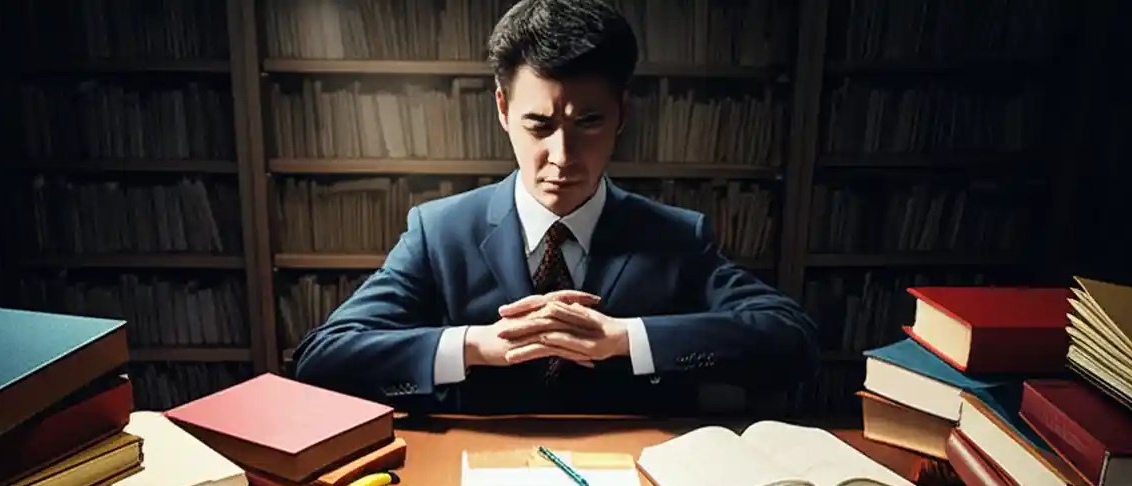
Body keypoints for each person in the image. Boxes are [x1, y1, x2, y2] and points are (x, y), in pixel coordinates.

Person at [292, 0, 818, 415]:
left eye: (587, 123)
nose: (562, 158)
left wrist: (625, 338)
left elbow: (792, 340)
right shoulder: (440, 231)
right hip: (475, 478)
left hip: (638, 482)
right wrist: (475, 346)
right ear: (502, 109)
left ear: (621, 114)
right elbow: (322, 359)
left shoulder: (676, 236)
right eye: (539, 126)